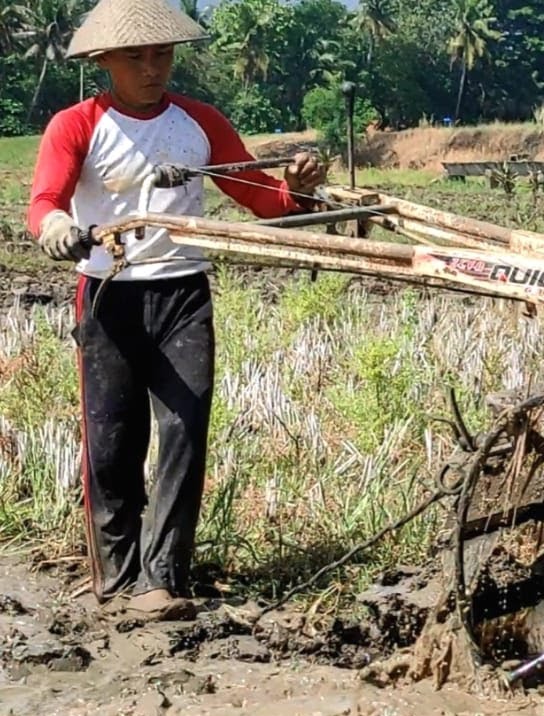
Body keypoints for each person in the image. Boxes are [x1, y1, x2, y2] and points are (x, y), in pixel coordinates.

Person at [26, 0, 328, 621]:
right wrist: (56, 227)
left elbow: (259, 200)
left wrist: (296, 189)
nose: (151, 67)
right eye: (135, 56)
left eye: (161, 53)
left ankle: (162, 579)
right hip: (109, 294)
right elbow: (44, 203)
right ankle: (117, 575)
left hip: (183, 292)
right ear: (104, 60)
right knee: (112, 442)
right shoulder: (76, 125)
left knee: (184, 433)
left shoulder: (199, 123)